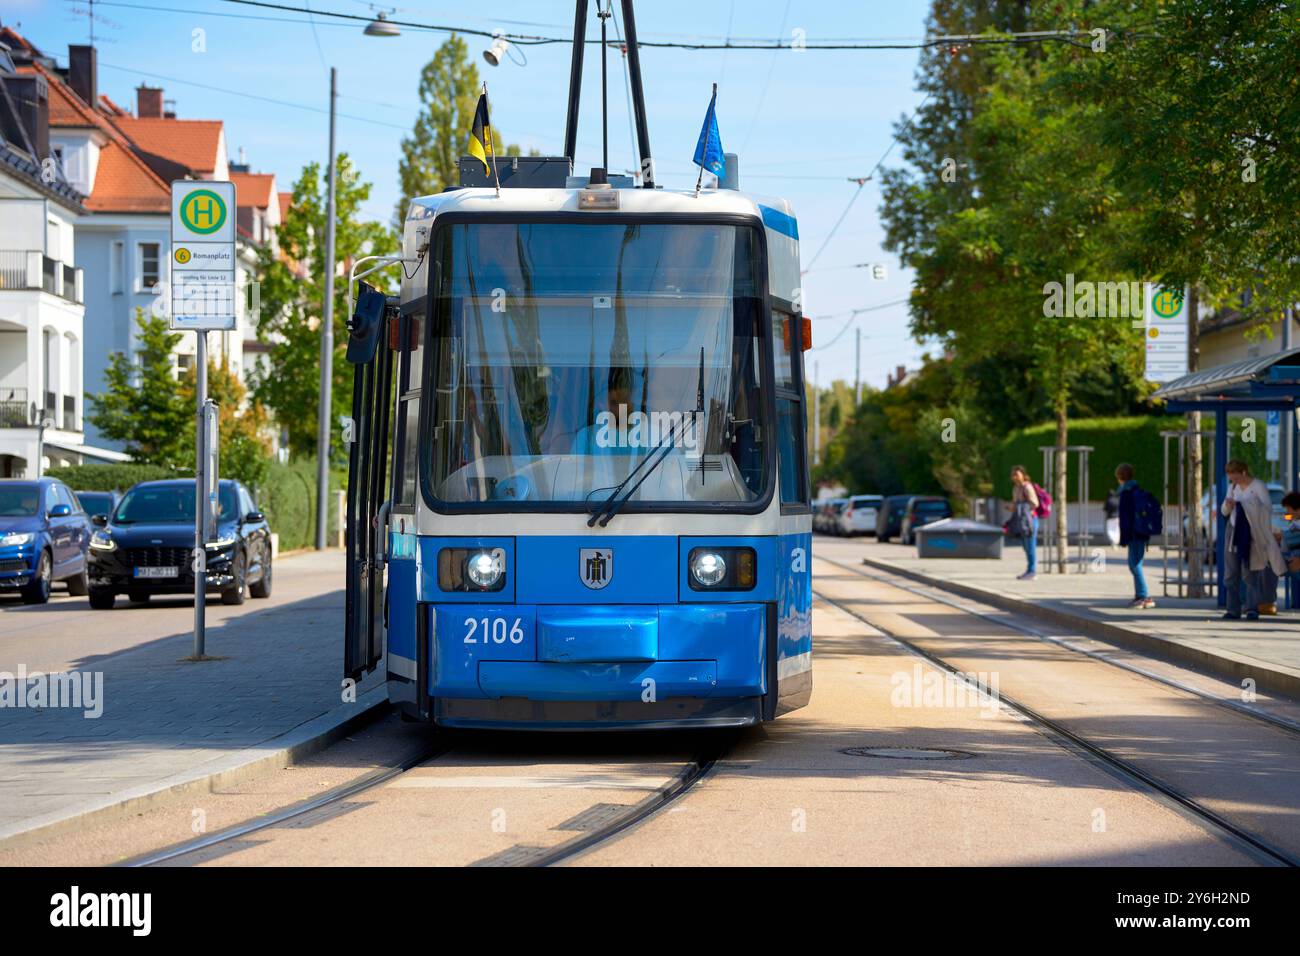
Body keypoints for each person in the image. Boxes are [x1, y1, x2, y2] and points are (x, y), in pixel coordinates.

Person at [1221, 459, 1285, 621]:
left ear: (1243, 472)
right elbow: (1224, 511)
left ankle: (1252, 608)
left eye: (1235, 477)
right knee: (1230, 573)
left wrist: (1245, 504)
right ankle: (1233, 609)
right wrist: (1228, 505)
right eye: (1230, 478)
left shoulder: (1258, 486)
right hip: (1234, 531)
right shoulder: (1232, 488)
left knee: (1250, 572)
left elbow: (1267, 508)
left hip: (1252, 532)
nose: (1233, 482)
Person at [1115, 463, 1154, 609]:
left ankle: (1144, 596)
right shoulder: (1138, 490)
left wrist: (1123, 538)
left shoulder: (1126, 493)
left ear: (1120, 477)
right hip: (1142, 531)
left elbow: (1125, 518)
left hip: (1133, 532)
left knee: (1134, 565)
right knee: (1136, 563)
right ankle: (1140, 595)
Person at [1010, 465, 1039, 580]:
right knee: (1025, 546)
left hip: (1030, 520)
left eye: (1017, 474)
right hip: (1020, 520)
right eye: (1013, 475)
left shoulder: (1027, 487)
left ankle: (1032, 571)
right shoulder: (1016, 488)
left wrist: (1025, 508)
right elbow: (1015, 503)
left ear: (1023, 474)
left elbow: (1035, 503)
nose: (1015, 477)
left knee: (1030, 545)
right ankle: (1029, 570)